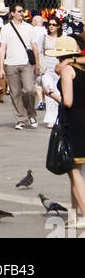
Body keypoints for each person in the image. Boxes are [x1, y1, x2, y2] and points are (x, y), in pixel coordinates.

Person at [0, 4, 41, 129]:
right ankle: (21, 118)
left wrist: (37, 64)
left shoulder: (29, 27)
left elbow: (35, 47)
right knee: (15, 93)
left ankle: (31, 114)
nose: (22, 13)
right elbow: (2, 49)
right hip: (11, 64)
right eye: (19, 11)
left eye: (22, 11)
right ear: (12, 13)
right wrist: (1, 68)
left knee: (30, 90)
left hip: (26, 63)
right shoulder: (5, 29)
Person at [55, 34, 85, 218]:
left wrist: (52, 95)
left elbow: (68, 101)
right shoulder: (82, 68)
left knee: (73, 171)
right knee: (75, 171)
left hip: (73, 123)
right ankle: (75, 215)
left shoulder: (67, 71)